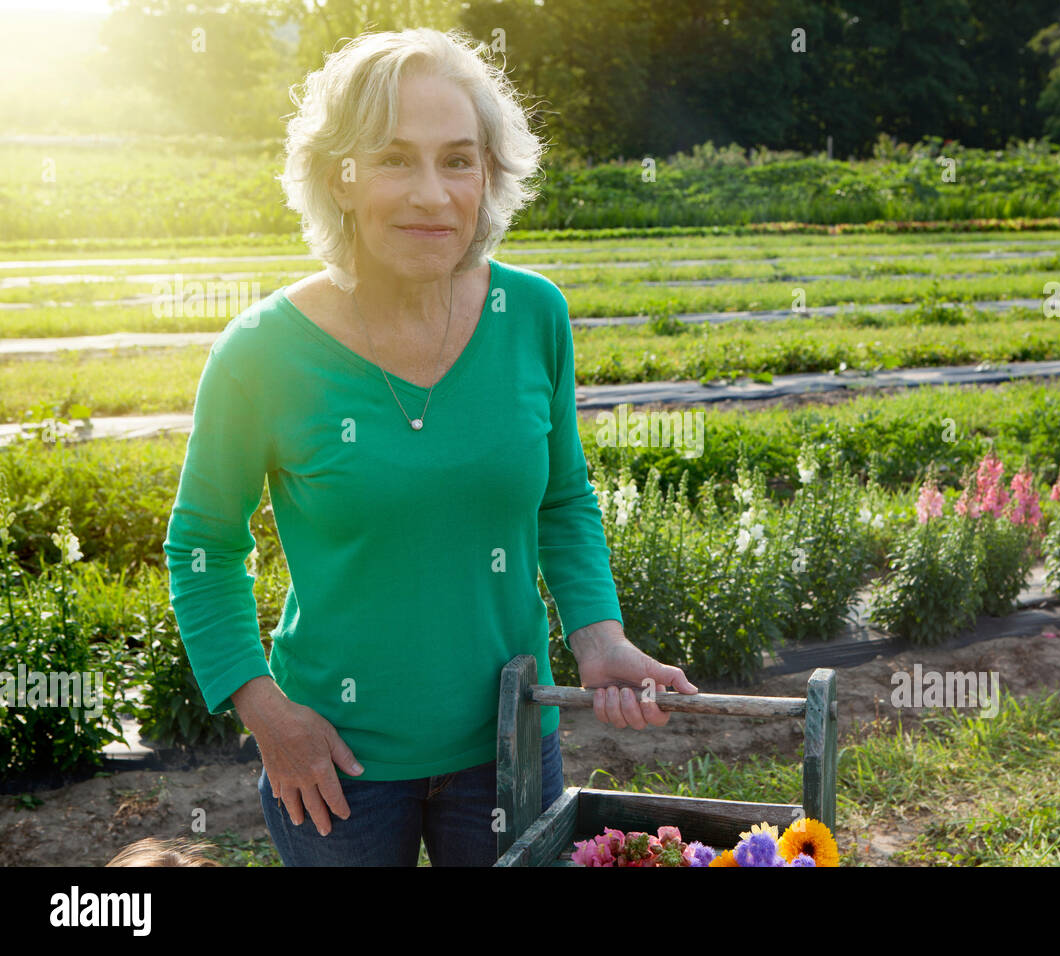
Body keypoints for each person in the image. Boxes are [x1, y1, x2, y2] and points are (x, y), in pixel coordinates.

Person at [163, 26, 697, 867]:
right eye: (392, 160)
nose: (431, 194)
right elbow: (203, 544)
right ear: (338, 177)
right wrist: (267, 714)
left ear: (489, 175)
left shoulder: (532, 317)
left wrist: (598, 636)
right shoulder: (262, 351)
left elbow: (561, 497)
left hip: (510, 744)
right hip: (335, 762)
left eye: (457, 160)